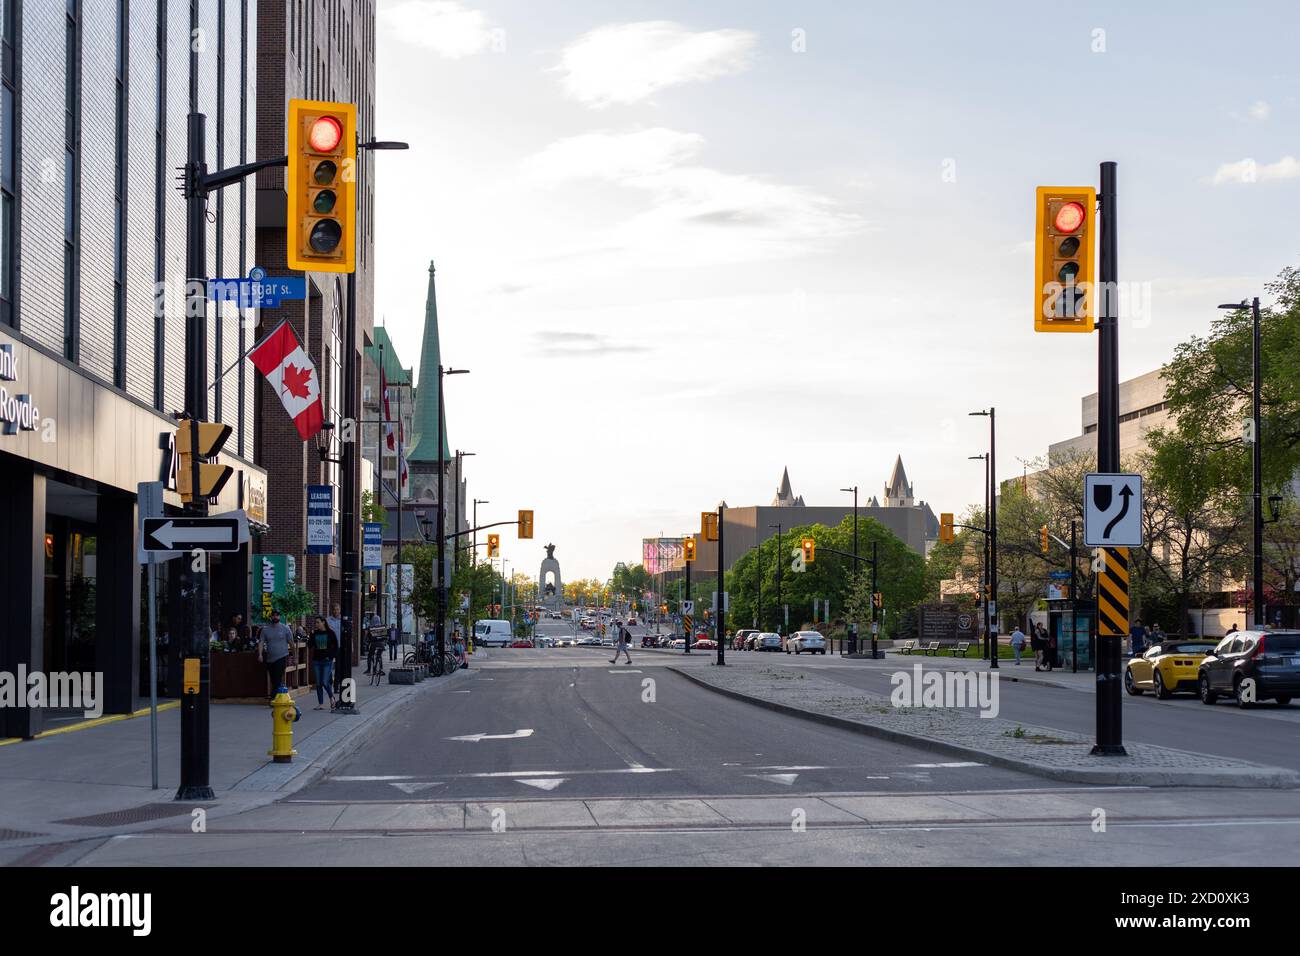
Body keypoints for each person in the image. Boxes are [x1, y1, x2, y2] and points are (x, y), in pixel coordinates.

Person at [257, 609, 294, 699]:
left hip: (282, 656)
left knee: (277, 677)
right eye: (273, 615)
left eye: (277, 615)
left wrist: (293, 656)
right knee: (274, 679)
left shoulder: (285, 628)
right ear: (271, 617)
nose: (275, 617)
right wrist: (260, 654)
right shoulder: (265, 629)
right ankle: (280, 696)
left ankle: (274, 697)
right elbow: (261, 642)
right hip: (270, 658)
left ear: (279, 616)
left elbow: (291, 642)